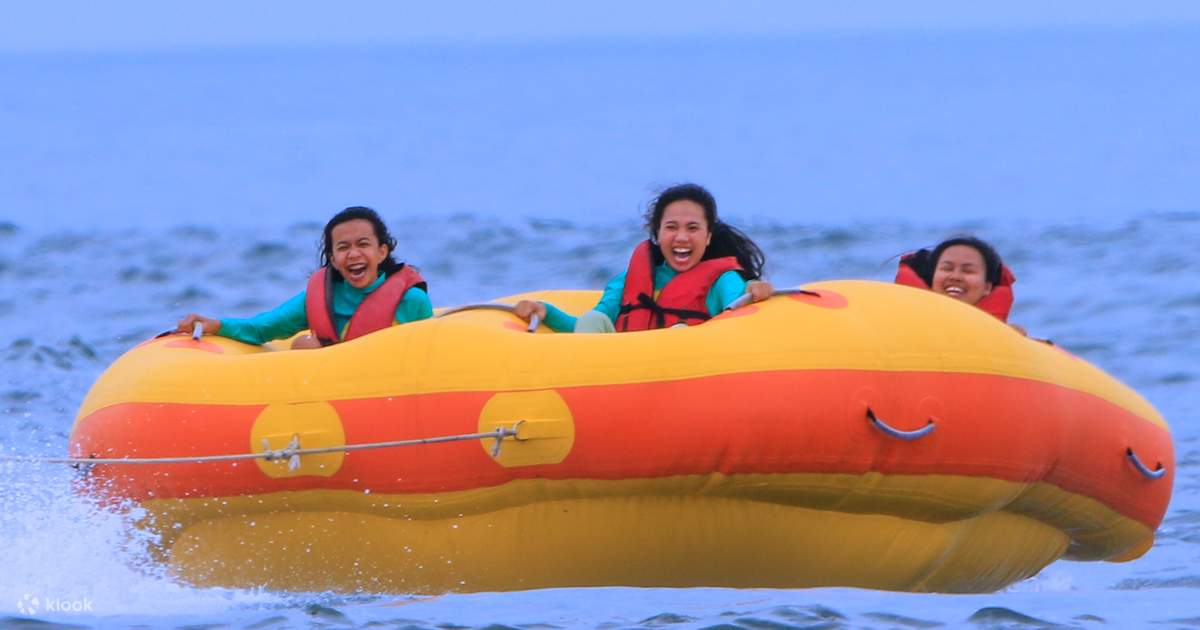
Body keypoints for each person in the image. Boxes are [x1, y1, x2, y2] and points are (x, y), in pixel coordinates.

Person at [514, 183, 772, 333]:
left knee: (680, 333)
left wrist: (752, 288)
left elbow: (739, 316)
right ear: (657, 234)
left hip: (684, 381)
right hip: (625, 378)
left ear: (708, 237)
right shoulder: (626, 283)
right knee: (595, 319)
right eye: (671, 227)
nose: (682, 237)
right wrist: (545, 312)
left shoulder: (723, 281)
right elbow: (585, 328)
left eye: (693, 228)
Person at [177, 206, 433, 348]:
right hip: (337, 394)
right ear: (333, 259)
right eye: (343, 247)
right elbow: (262, 328)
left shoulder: (411, 301)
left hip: (391, 391)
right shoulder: (321, 299)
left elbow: (431, 356)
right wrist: (216, 326)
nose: (354, 254)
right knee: (305, 345)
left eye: (363, 244)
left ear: (381, 252)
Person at [895, 235, 1021, 327]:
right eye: (947, 268)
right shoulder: (896, 322)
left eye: (968, 271)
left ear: (987, 287)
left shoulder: (1007, 337)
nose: (955, 277)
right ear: (932, 277)